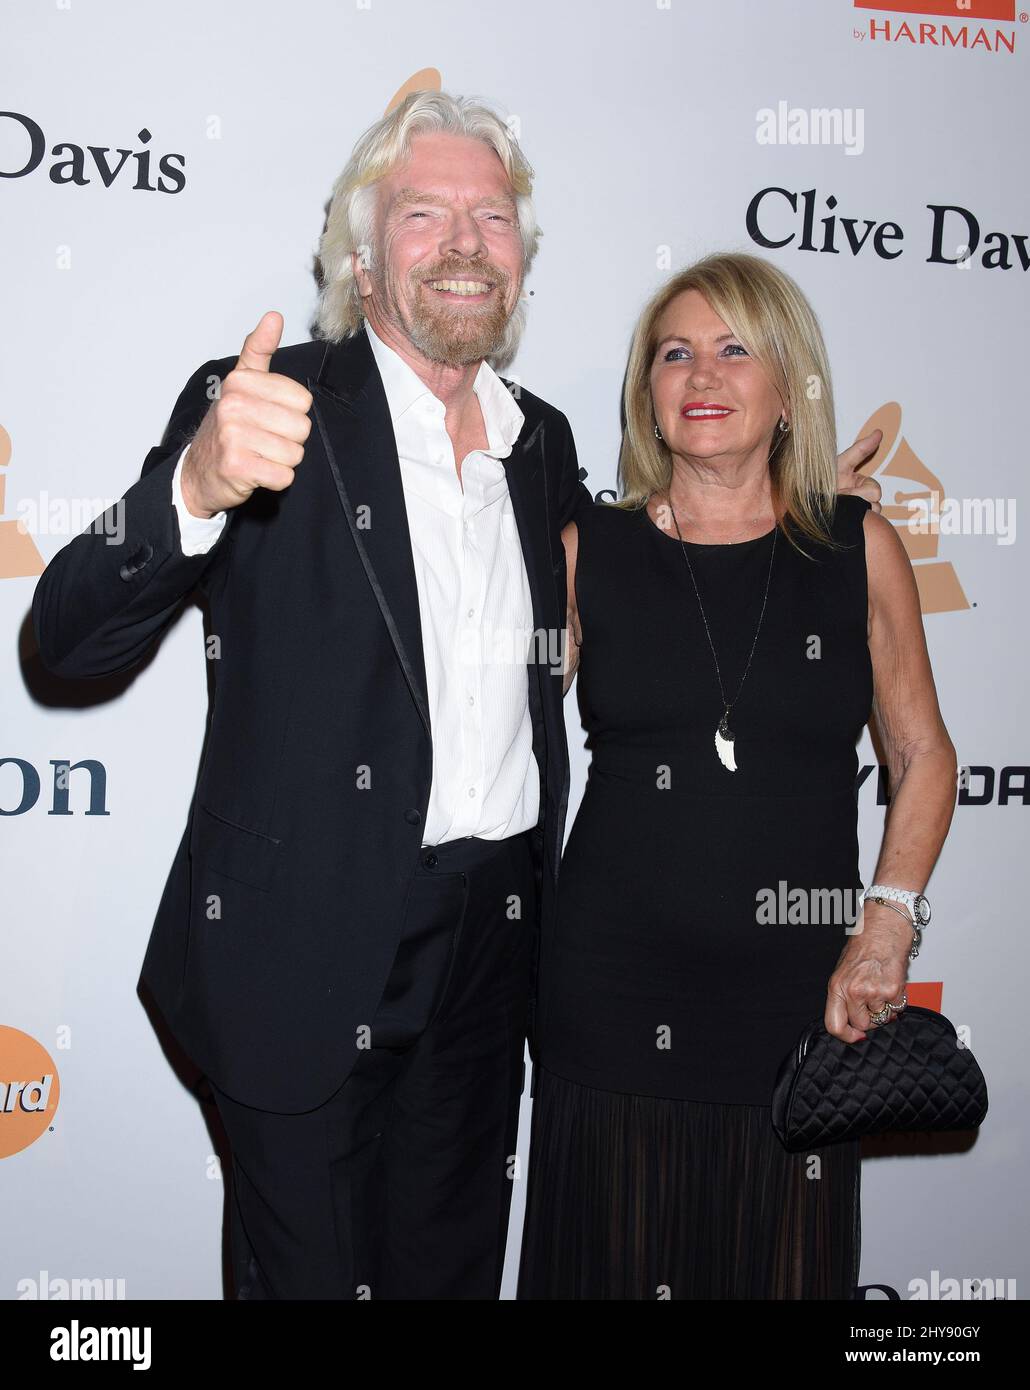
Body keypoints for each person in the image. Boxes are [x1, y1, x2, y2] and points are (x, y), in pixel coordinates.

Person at [31, 92, 880, 1300]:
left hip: (499, 951)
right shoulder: (269, 403)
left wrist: (787, 508)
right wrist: (194, 487)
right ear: (363, 257)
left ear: (524, 259)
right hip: (303, 948)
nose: (467, 240)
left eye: (493, 215)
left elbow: (663, 584)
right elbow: (63, 632)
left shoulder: (544, 448)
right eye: (424, 213)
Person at [518, 252, 956, 1300]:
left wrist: (886, 922)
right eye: (674, 353)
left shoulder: (857, 547)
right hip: (609, 1005)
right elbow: (487, 723)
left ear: (788, 388)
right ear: (648, 393)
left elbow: (920, 752)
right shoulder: (591, 549)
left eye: (731, 349)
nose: (700, 374)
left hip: (799, 1011)